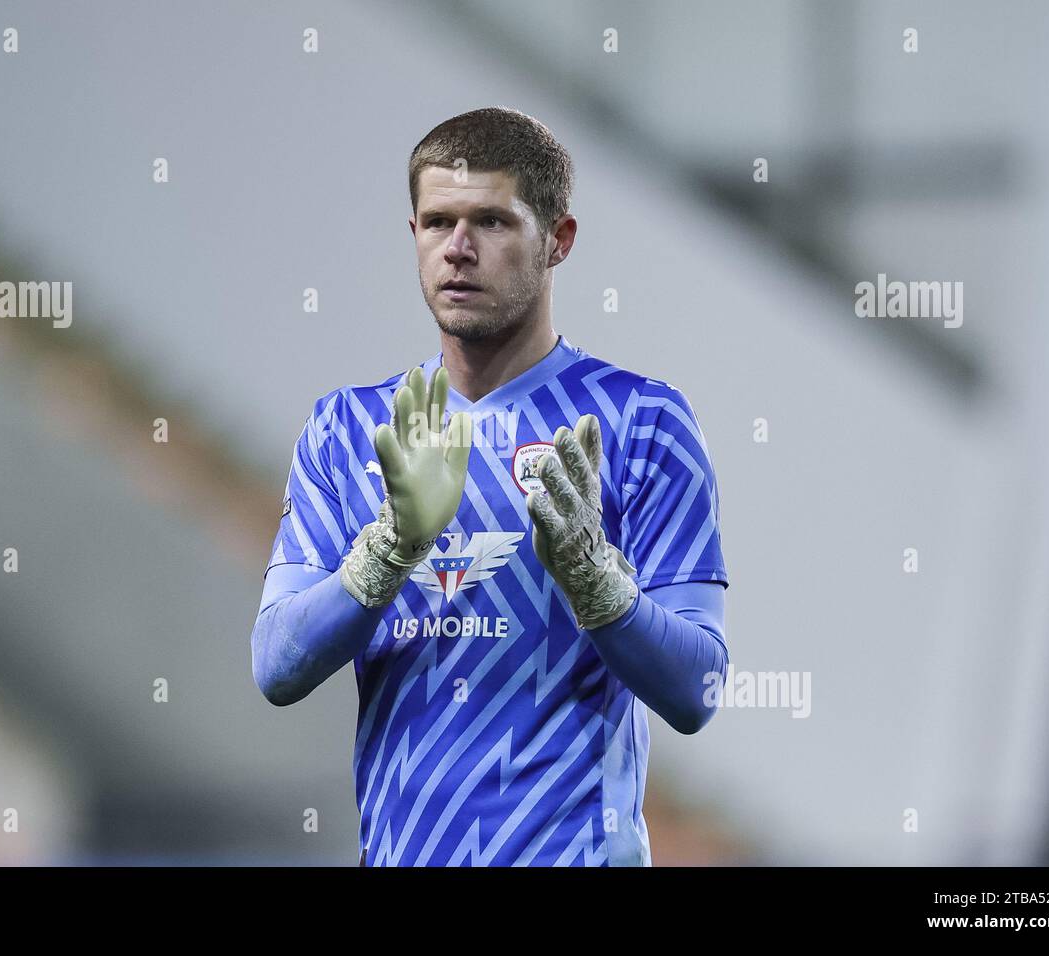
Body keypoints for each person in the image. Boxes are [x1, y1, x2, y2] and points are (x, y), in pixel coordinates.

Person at [251, 107, 729, 866]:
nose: (459, 250)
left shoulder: (641, 422)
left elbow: (698, 691)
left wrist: (596, 585)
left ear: (558, 241)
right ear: (413, 234)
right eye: (437, 222)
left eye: (492, 223)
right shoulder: (350, 429)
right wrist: (389, 551)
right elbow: (276, 667)